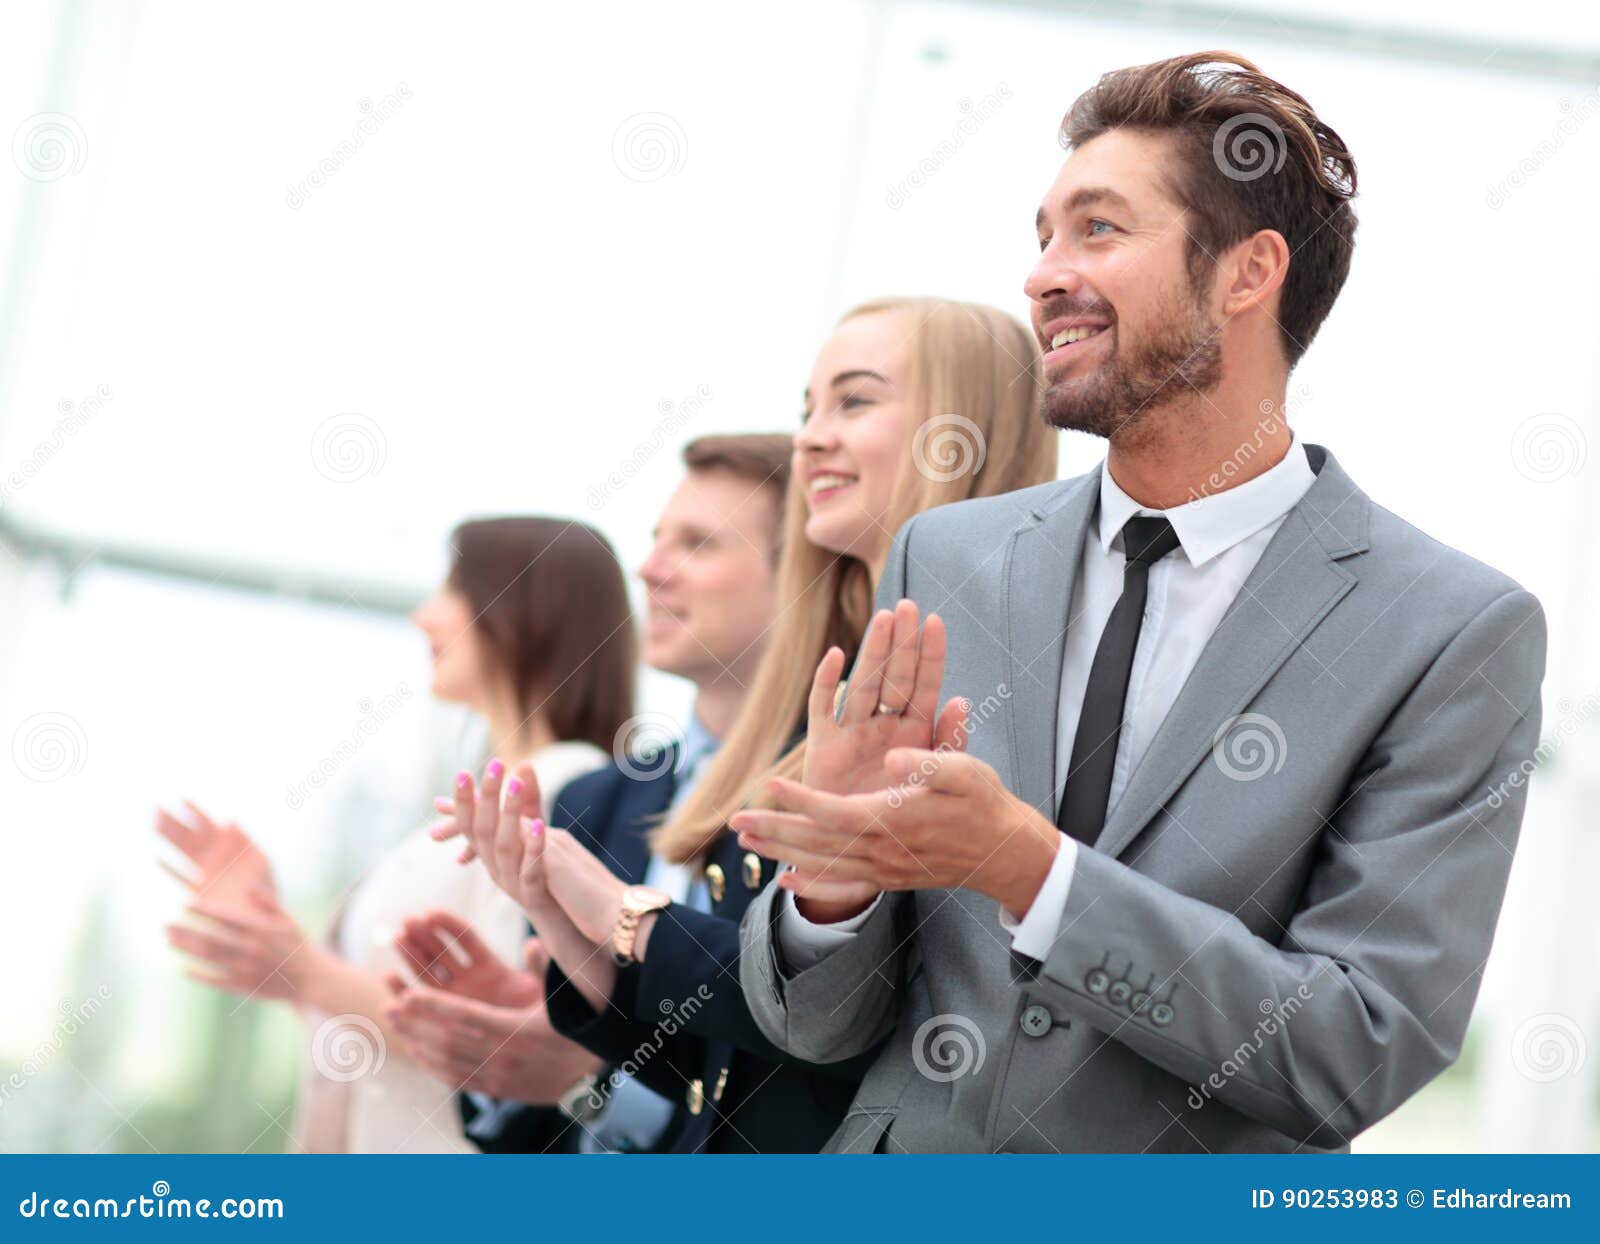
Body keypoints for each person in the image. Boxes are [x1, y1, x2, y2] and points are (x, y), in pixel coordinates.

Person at [734, 51, 1547, 1153]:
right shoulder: (947, 555)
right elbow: (825, 1029)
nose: (1041, 275)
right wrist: (832, 891)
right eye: (1041, 236)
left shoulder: (1448, 629)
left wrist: (1031, 868)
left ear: (1246, 273)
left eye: (1098, 230)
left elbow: (1356, 1048)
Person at [441, 296, 1059, 1151]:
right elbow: (738, 1067)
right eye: (808, 409)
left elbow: (888, 1031)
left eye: (854, 401)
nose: (810, 437)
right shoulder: (833, 714)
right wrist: (560, 918)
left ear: (964, 428)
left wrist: (621, 912)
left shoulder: (1016, 700)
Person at [160, 516, 632, 1152]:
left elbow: (504, 1037)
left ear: (524, 610)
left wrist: (303, 971)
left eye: (452, 591)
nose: (425, 618)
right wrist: (277, 939)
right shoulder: (490, 796)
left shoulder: (566, 786)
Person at [384, 433, 791, 1153]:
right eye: (656, 539)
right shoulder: (598, 803)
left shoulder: (818, 804)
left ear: (802, 576)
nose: (650, 569)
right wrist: (519, 1043)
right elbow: (537, 1131)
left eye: (698, 544)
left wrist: (591, 1075)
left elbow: (789, 1052)